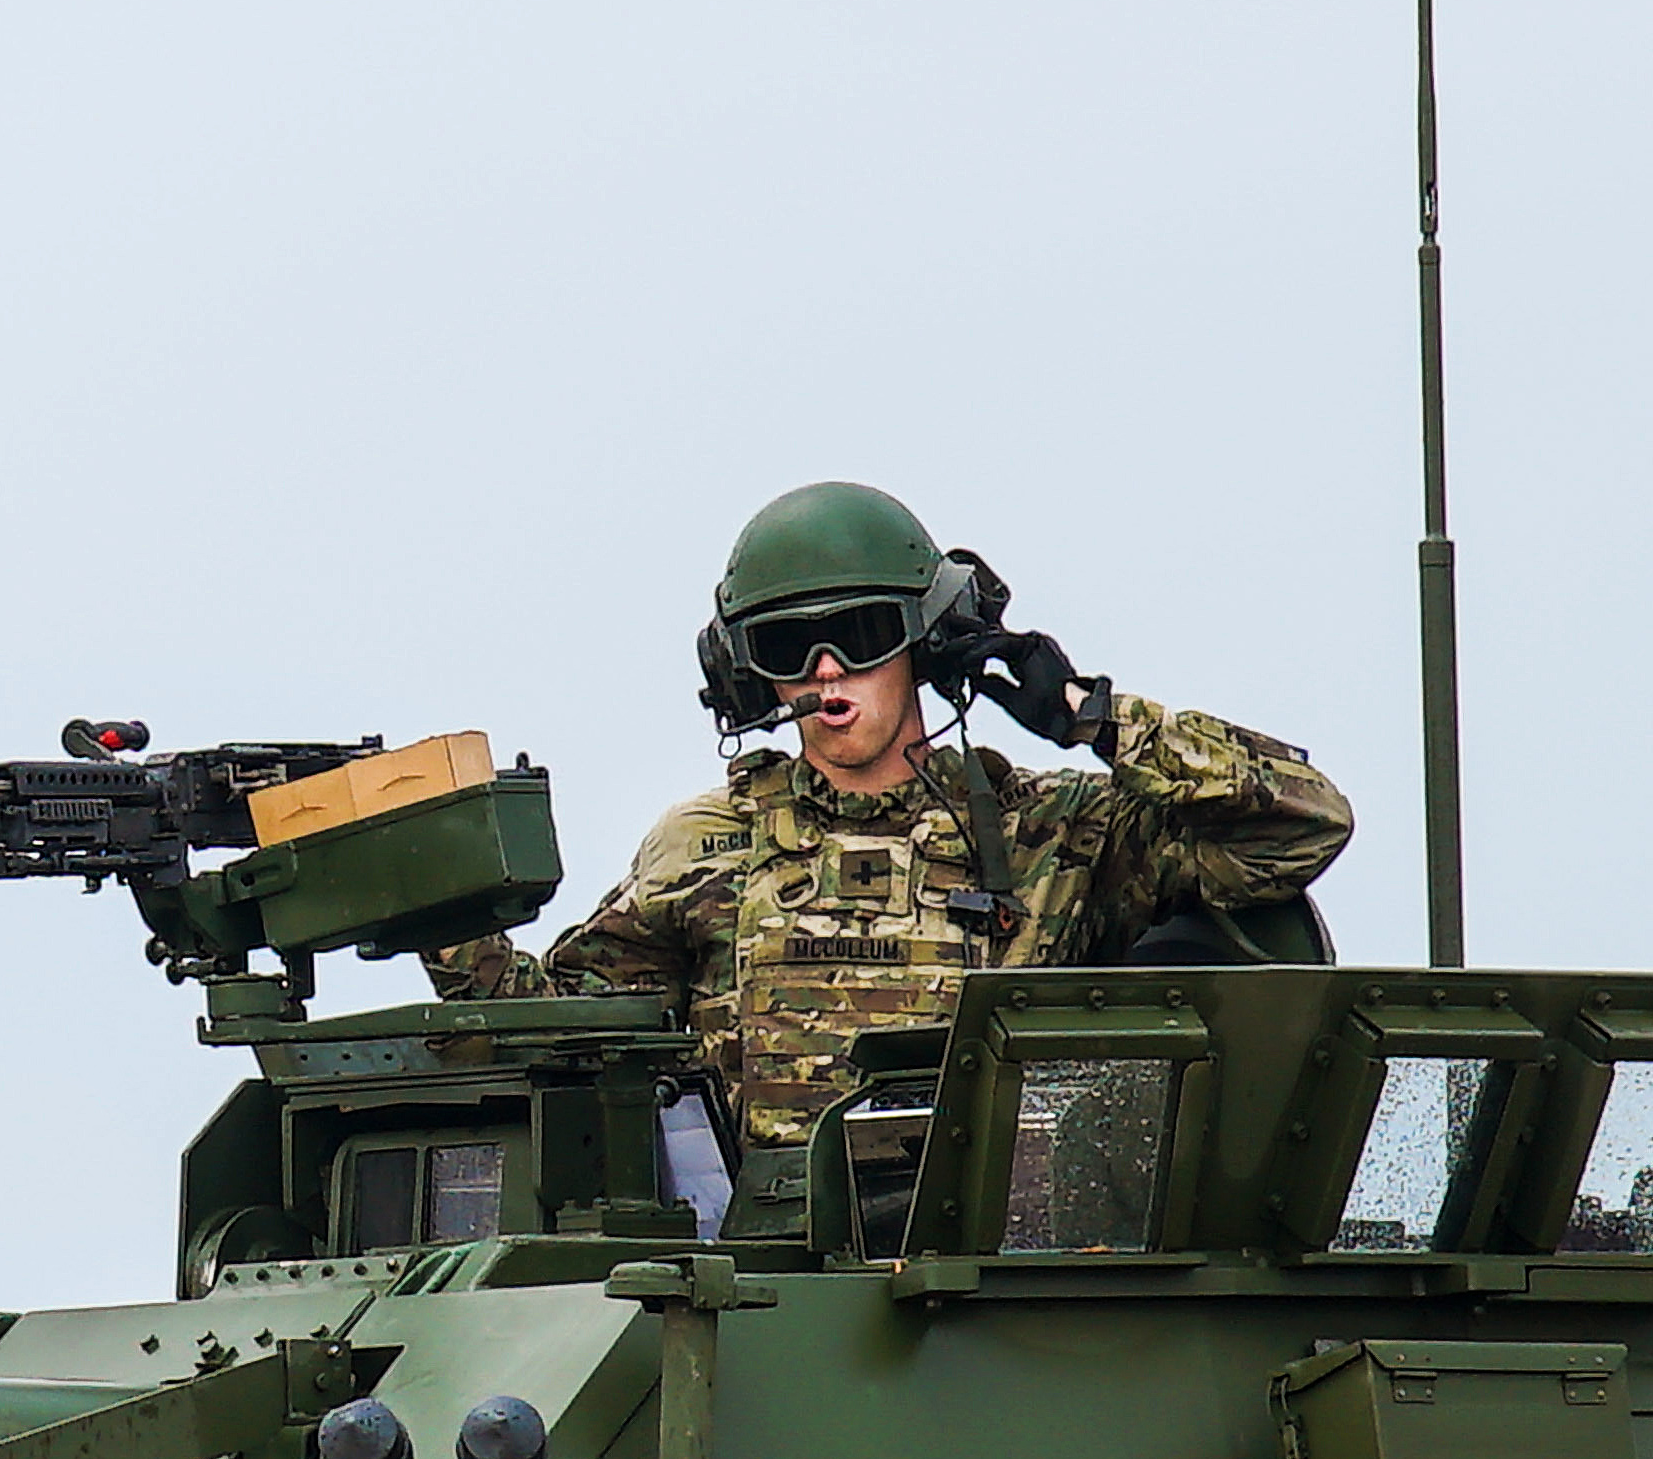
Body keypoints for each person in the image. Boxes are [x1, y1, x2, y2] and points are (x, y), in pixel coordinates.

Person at [428, 481, 1353, 1147]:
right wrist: (441, 911)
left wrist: (1093, 717)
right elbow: (566, 1041)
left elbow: (1302, 823)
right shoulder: (702, 846)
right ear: (749, 675)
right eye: (790, 647)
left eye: (861, 636)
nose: (826, 670)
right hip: (764, 1286)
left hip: (1003, 1268)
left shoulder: (1052, 834)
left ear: (928, 642)